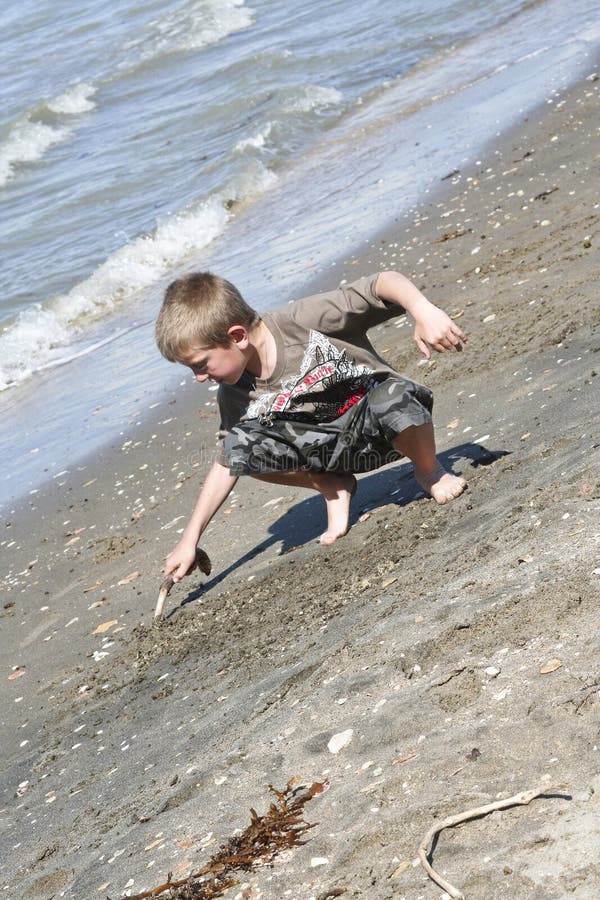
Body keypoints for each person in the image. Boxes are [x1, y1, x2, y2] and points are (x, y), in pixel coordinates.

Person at [156, 270, 467, 582]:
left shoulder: (302, 321)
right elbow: (228, 460)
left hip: (389, 428)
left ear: (237, 337)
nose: (198, 378)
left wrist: (423, 310)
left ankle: (429, 471)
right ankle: (333, 485)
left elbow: (382, 283)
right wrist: (189, 540)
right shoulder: (234, 392)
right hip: (331, 454)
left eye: (200, 365)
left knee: (395, 396)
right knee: (237, 445)